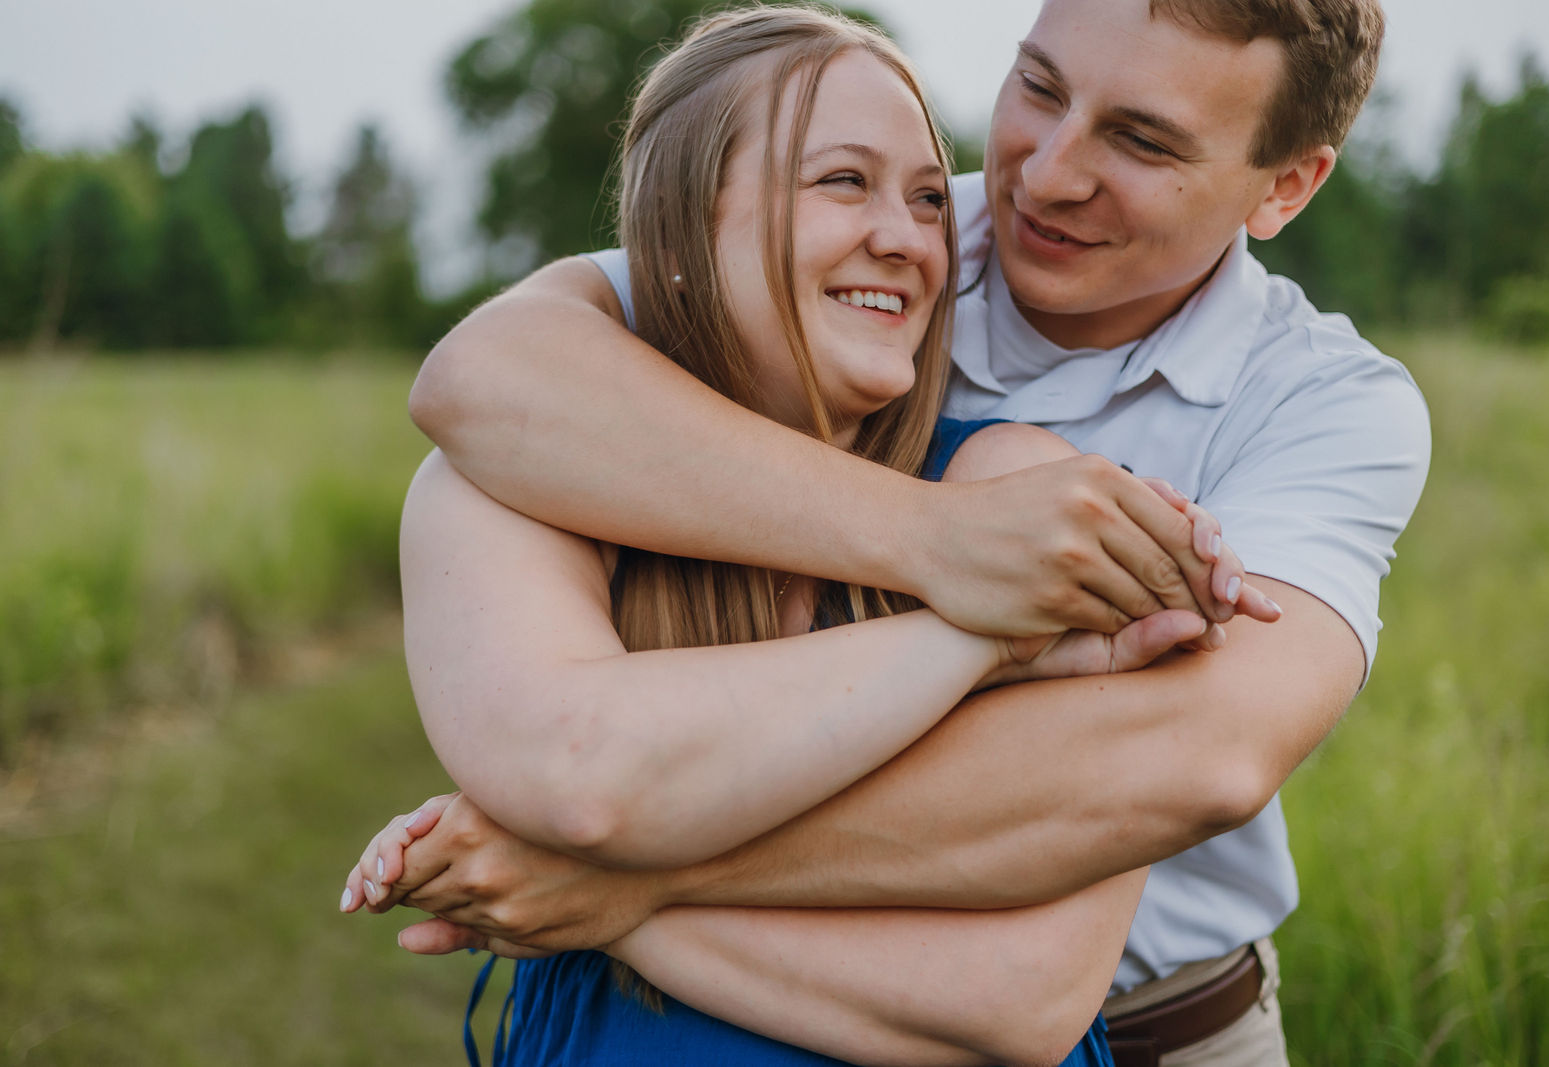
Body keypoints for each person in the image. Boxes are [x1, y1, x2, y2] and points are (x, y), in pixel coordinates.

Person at [356, 0, 1432, 1062]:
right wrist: (944, 549)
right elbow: (485, 377)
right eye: (1039, 88)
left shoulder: (1324, 405)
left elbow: (1192, 755)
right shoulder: (889, 236)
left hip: (1171, 1019)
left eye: (1142, 140)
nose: (1046, 176)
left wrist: (641, 868)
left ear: (1284, 184)